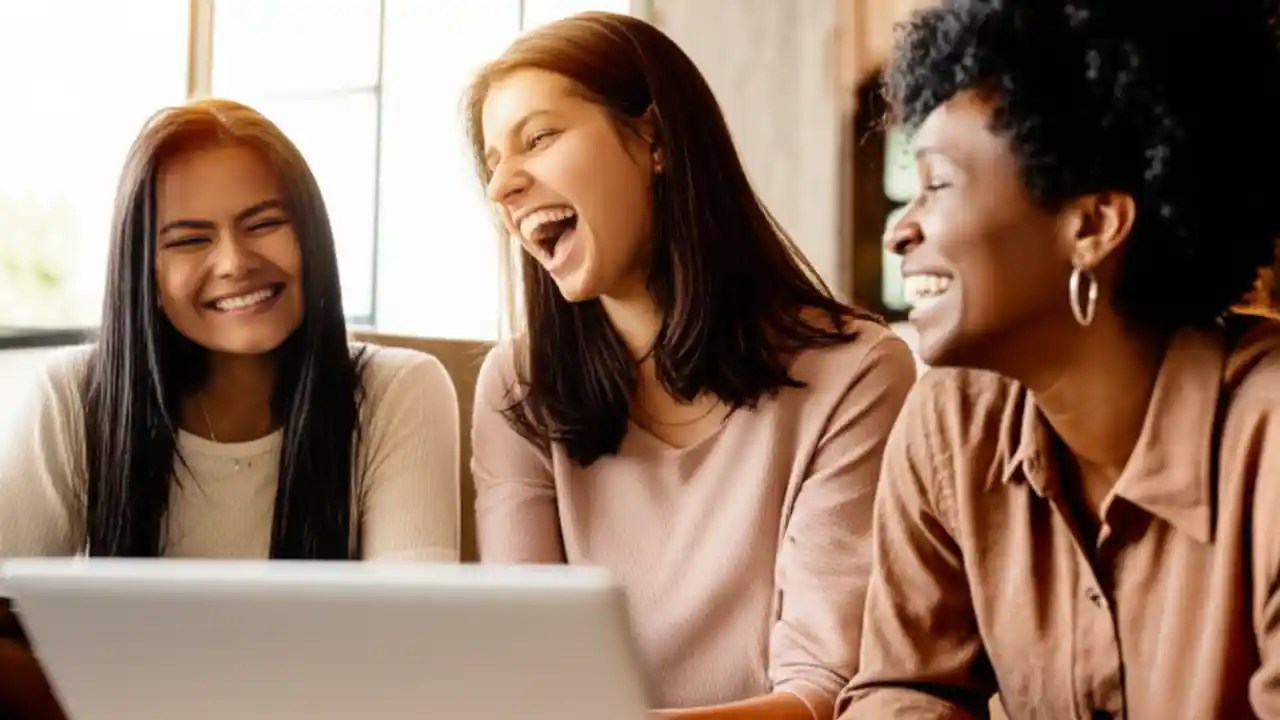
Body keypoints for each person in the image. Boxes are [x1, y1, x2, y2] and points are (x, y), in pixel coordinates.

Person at [466, 12, 915, 720]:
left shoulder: (858, 373)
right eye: (493, 161)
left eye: (540, 138)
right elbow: (531, 675)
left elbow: (823, 691)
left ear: (654, 139)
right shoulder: (518, 387)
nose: (501, 188)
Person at [841, 1, 1280, 718]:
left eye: (938, 185)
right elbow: (905, 689)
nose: (900, 231)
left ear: (1094, 225)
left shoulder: (1268, 442)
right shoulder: (950, 425)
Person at [0, 98, 461, 715]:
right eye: (190, 239)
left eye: (265, 222)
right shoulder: (74, 394)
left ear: (311, 233)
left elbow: (416, 644)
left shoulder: (398, 390)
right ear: (146, 272)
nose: (235, 262)